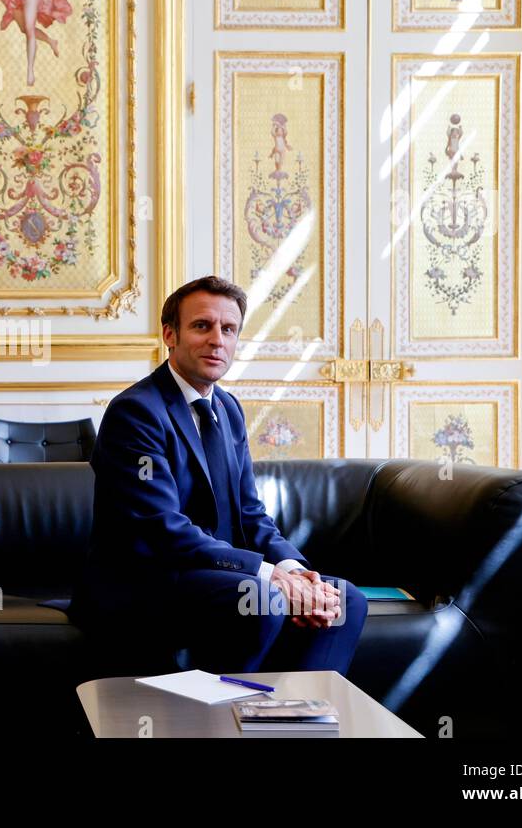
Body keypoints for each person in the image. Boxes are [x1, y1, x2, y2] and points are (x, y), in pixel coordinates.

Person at [69, 275, 368, 675]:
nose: (217, 340)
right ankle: (223, 721)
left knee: (344, 599)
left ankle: (297, 719)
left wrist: (296, 572)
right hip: (145, 583)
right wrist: (269, 574)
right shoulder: (136, 412)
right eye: (201, 326)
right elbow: (162, 527)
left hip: (217, 578)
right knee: (262, 596)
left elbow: (250, 512)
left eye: (228, 329)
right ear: (169, 334)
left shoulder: (227, 409)